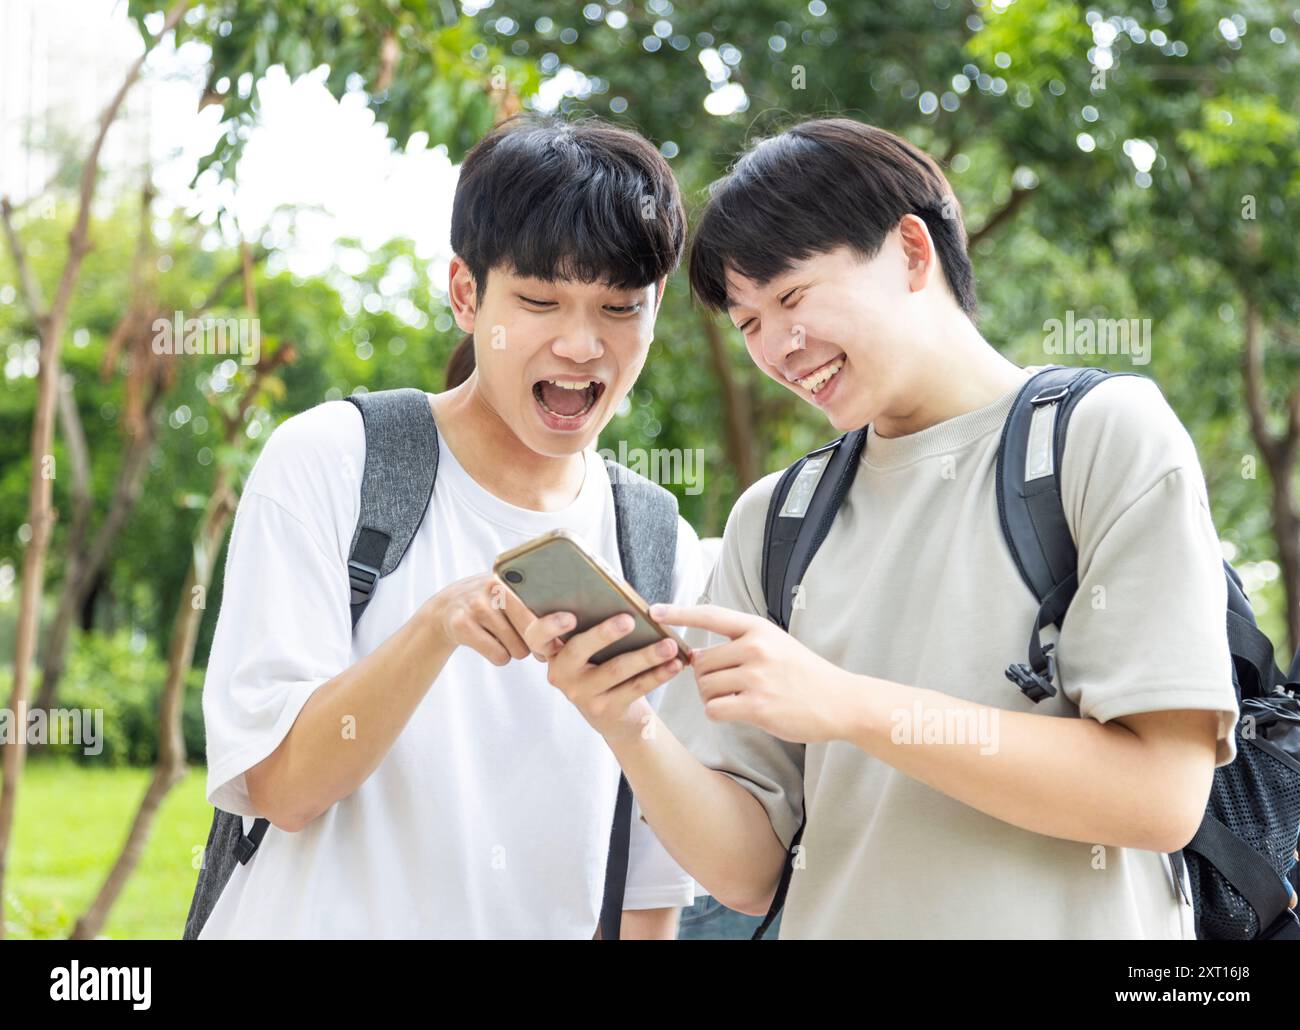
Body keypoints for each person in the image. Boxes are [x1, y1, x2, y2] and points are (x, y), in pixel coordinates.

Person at [524, 117, 1242, 939]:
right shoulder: (775, 518)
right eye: (748, 322)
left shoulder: (1098, 437)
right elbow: (749, 874)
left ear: (910, 250)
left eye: (791, 296)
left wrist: (848, 705)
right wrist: (629, 724)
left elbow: (1160, 797)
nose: (779, 348)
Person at [196, 113, 700, 938]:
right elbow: (282, 790)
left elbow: (647, 888)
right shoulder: (335, 462)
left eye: (618, 308)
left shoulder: (657, 542)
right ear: (467, 295)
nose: (581, 344)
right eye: (540, 302)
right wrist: (435, 627)